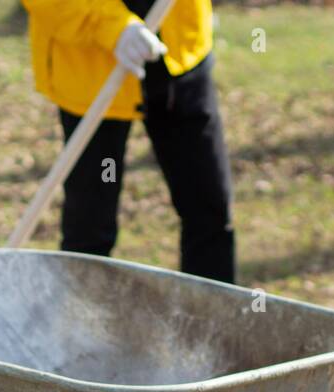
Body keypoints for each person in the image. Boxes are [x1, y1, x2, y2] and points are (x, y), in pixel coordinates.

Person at [21, 0, 236, 283]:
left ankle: (211, 322)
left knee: (209, 212)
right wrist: (111, 26)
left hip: (180, 58)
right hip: (91, 70)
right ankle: (83, 322)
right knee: (90, 230)